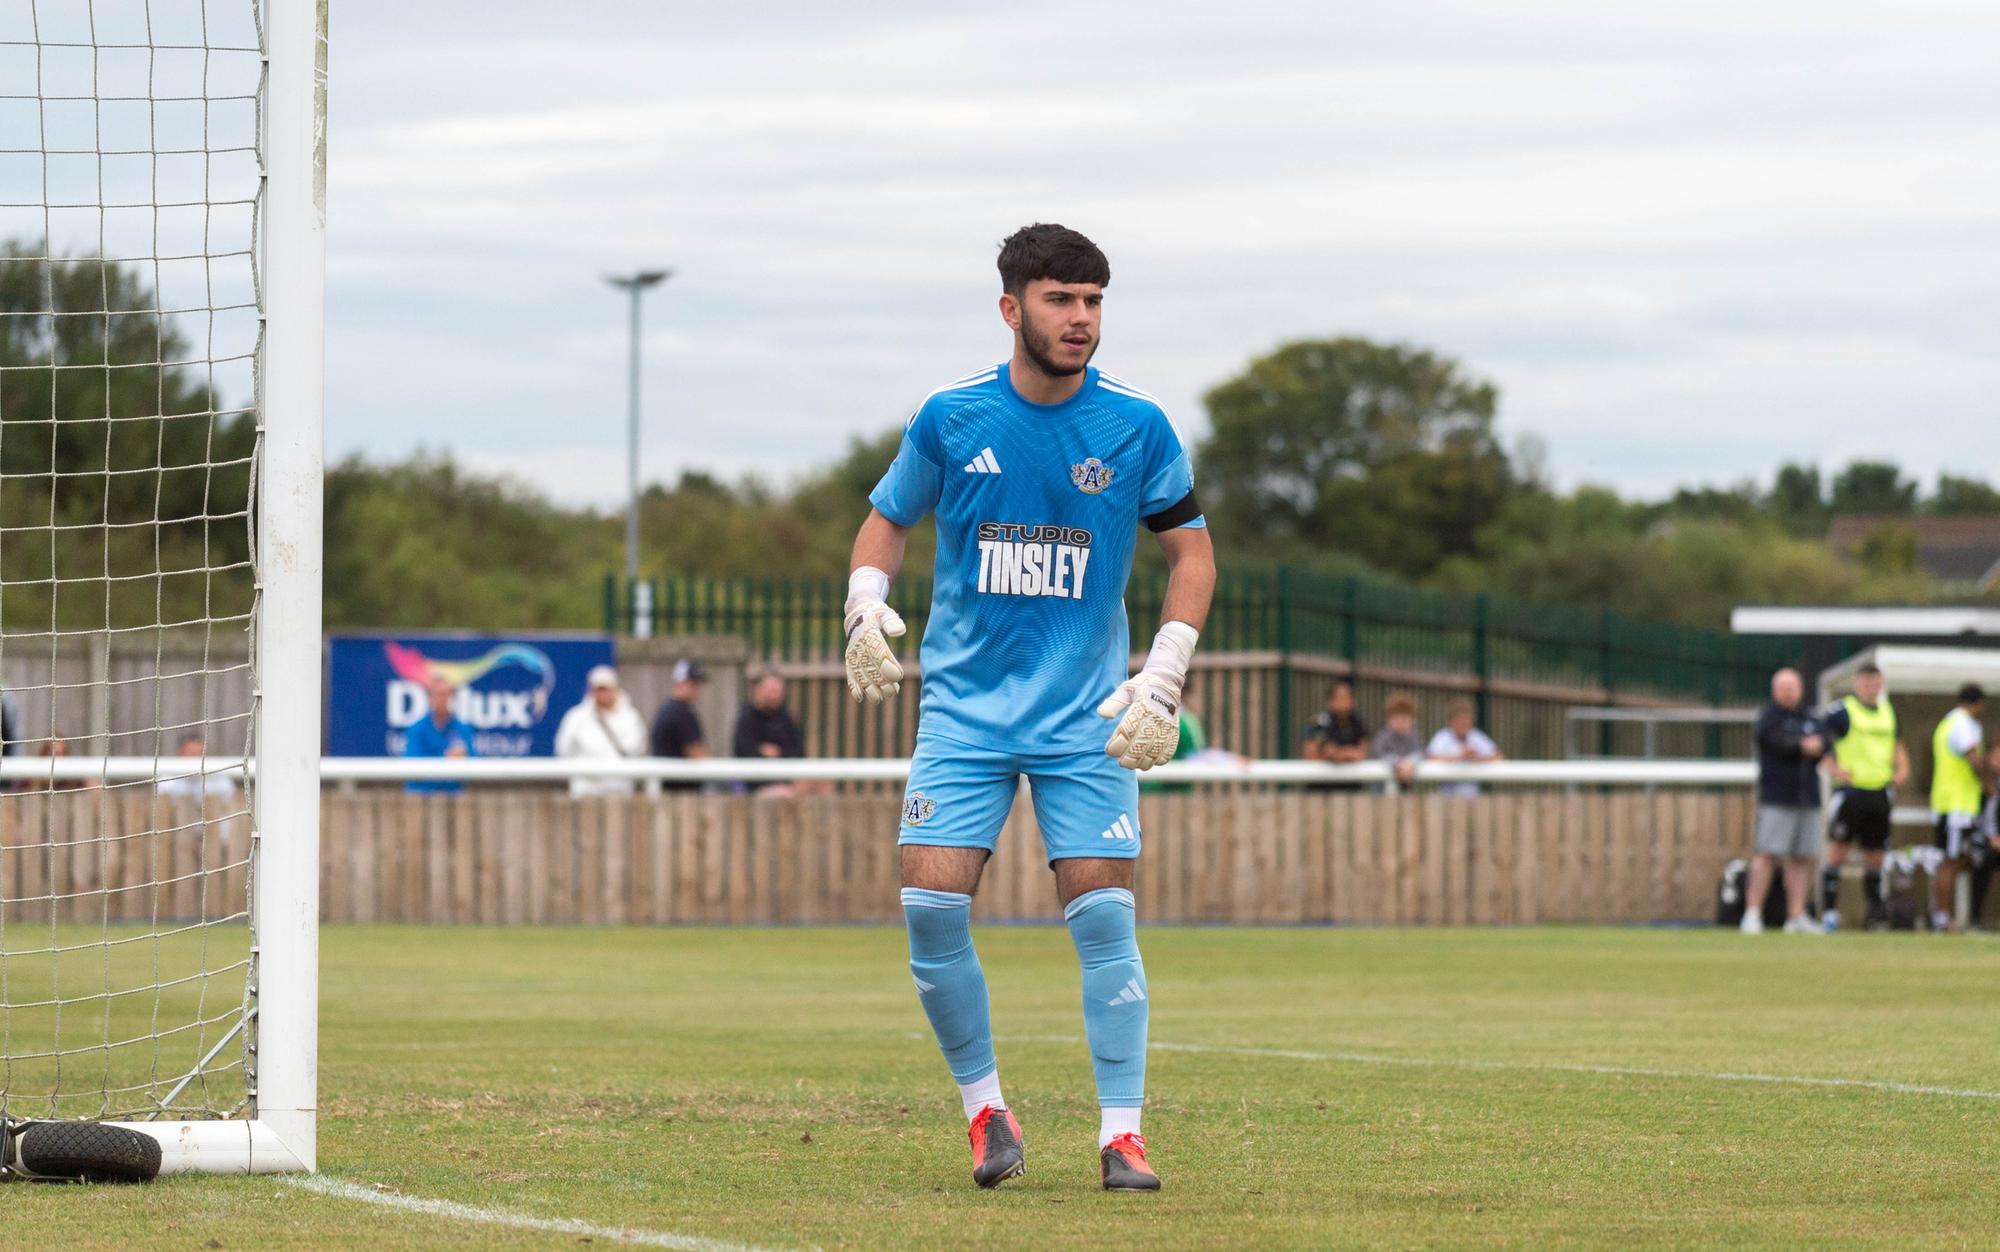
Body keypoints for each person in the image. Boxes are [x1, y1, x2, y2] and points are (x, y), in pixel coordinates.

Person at [842, 224, 1214, 1193]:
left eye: (1092, 300)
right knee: (927, 906)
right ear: (1012, 308)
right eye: (1059, 299)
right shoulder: (951, 415)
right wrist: (864, 600)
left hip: (1084, 715)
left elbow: (1191, 553)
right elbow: (886, 516)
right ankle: (984, 1111)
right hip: (963, 711)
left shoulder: (1136, 425)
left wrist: (1162, 670)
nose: (1079, 318)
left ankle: (1122, 1136)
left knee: (1100, 917)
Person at [1818, 663, 1909, 931]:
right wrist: (1833, 768)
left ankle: (1875, 915)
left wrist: (1903, 769)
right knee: (1839, 850)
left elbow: (1898, 745)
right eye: (1867, 682)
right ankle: (1830, 914)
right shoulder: (1843, 711)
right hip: (1851, 792)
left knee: (1875, 855)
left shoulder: (1888, 712)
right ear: (1858, 683)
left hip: (1879, 791)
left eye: (1876, 682)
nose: (1872, 687)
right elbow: (1818, 740)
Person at [1744, 667, 1826, 935]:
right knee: (1767, 854)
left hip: (1807, 798)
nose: (1789, 692)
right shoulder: (1769, 718)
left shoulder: (1809, 717)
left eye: (1793, 686)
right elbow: (1778, 743)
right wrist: (1802, 746)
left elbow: (1826, 742)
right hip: (1778, 798)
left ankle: (1797, 915)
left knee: (1802, 858)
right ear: (1775, 690)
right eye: (1784, 687)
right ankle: (1753, 913)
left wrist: (1817, 745)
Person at [1928, 683, 1989, 933]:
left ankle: (1942, 913)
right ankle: (1941, 917)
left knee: (1962, 857)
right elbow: (1972, 756)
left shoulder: (1948, 722)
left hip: (1954, 804)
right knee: (1950, 861)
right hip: (1955, 805)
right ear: (1979, 703)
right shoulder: (1962, 724)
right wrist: (1988, 783)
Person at [554, 664, 648, 797]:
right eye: (599, 689)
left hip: (620, 790)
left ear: (615, 689)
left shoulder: (630, 717)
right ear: (591, 690)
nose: (603, 694)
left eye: (606, 688)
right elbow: (564, 750)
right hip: (586, 791)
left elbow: (637, 749)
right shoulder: (576, 717)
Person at [731, 669, 812, 795]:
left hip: (787, 777)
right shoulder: (747, 719)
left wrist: (777, 752)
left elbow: (799, 752)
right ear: (757, 690)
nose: (773, 695)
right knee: (784, 793)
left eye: (777, 691)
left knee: (822, 782)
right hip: (756, 784)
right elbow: (746, 754)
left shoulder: (786, 719)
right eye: (769, 691)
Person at [403, 674, 474, 794]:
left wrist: (463, 758)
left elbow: (474, 764)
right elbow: (413, 766)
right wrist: (446, 759)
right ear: (429, 698)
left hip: (453, 800)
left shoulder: (463, 729)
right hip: (421, 799)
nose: (443, 699)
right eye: (438, 695)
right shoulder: (416, 729)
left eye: (447, 694)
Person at [649, 659, 710, 792]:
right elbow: (697, 754)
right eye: (694, 684)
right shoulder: (681, 713)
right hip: (681, 794)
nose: (698, 689)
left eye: (699, 684)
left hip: (671, 790)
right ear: (680, 683)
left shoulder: (669, 708)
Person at [1424, 700, 1502, 797]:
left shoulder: (1476, 737)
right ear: (1450, 722)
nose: (1464, 724)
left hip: (1472, 799)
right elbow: (1429, 758)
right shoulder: (1443, 737)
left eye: (1466, 721)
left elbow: (1498, 757)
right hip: (1446, 800)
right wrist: (1459, 757)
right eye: (1460, 721)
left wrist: (1477, 759)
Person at [1301, 680, 1368, 790]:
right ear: (1330, 701)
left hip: (1350, 789)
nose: (1344, 702)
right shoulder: (1320, 723)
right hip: (1321, 789)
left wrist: (1338, 754)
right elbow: (1311, 756)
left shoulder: (1357, 724)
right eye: (1339, 698)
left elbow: (1362, 754)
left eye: (1347, 697)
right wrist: (1340, 755)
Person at [157, 733, 241, 801]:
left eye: (199, 753)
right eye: (191, 753)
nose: (196, 758)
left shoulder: (219, 779)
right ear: (180, 754)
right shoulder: (167, 781)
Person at [1371, 692, 1426, 787]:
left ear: (1413, 720)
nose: (1401, 722)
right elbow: (1379, 754)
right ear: (1388, 719)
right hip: (1380, 792)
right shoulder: (1383, 737)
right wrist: (1399, 764)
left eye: (1405, 718)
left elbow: (1421, 752)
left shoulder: (1415, 736)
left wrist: (1409, 763)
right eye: (1396, 718)